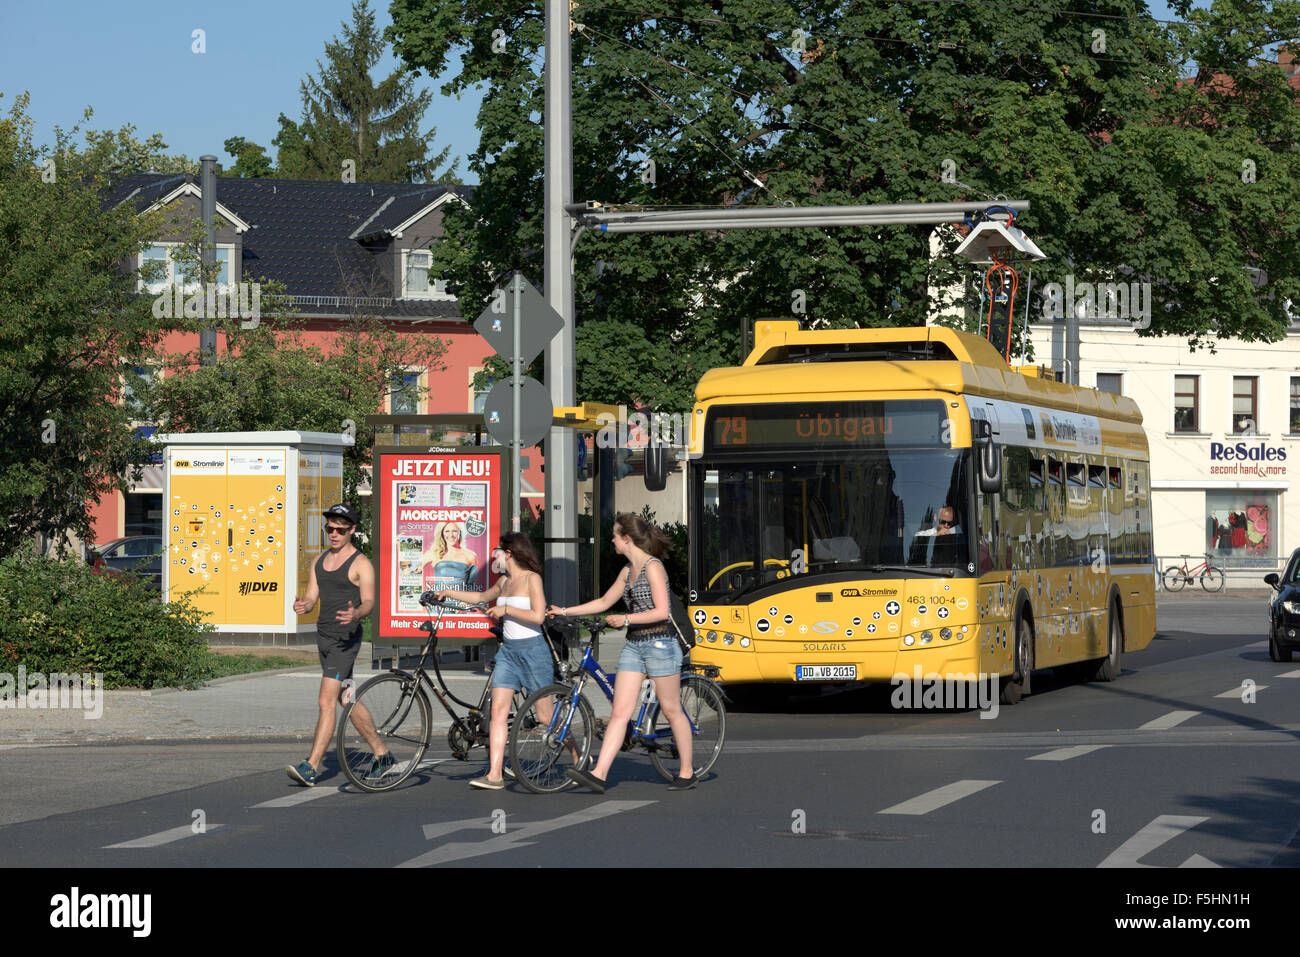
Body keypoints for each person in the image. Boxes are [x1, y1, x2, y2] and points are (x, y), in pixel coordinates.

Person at [551, 512, 696, 792]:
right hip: (634, 645)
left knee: (671, 709)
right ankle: (600, 773)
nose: (612, 541)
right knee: (620, 711)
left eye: (615, 536)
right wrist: (565, 610)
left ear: (626, 538)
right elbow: (604, 601)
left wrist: (626, 619)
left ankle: (687, 771)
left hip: (660, 644)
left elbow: (662, 611)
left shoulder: (653, 567)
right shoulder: (627, 571)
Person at [436, 532, 552, 790]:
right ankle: (495, 774)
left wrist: (506, 609)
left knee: (546, 718)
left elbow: (539, 616)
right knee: (498, 712)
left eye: (498, 551)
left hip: (533, 652)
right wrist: (448, 592)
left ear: (509, 553)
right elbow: (479, 597)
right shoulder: (504, 581)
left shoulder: (532, 579)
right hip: (509, 653)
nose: (495, 556)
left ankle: (577, 753)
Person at [286, 503, 382, 787]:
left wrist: (356, 614)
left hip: (345, 640)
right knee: (346, 699)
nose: (334, 534)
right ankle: (382, 754)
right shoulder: (318, 561)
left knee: (325, 701)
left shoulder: (361, 564)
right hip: (324, 637)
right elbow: (312, 596)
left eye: (341, 529)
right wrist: (304, 605)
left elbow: (369, 602)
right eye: (330, 528)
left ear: (352, 530)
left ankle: (311, 766)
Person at [421, 521, 479, 590]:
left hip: (462, 600)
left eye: (454, 531)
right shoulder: (434, 553)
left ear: (459, 532)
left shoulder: (470, 556)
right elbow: (413, 569)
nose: (451, 535)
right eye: (447, 531)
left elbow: (472, 586)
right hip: (439, 600)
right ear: (442, 534)